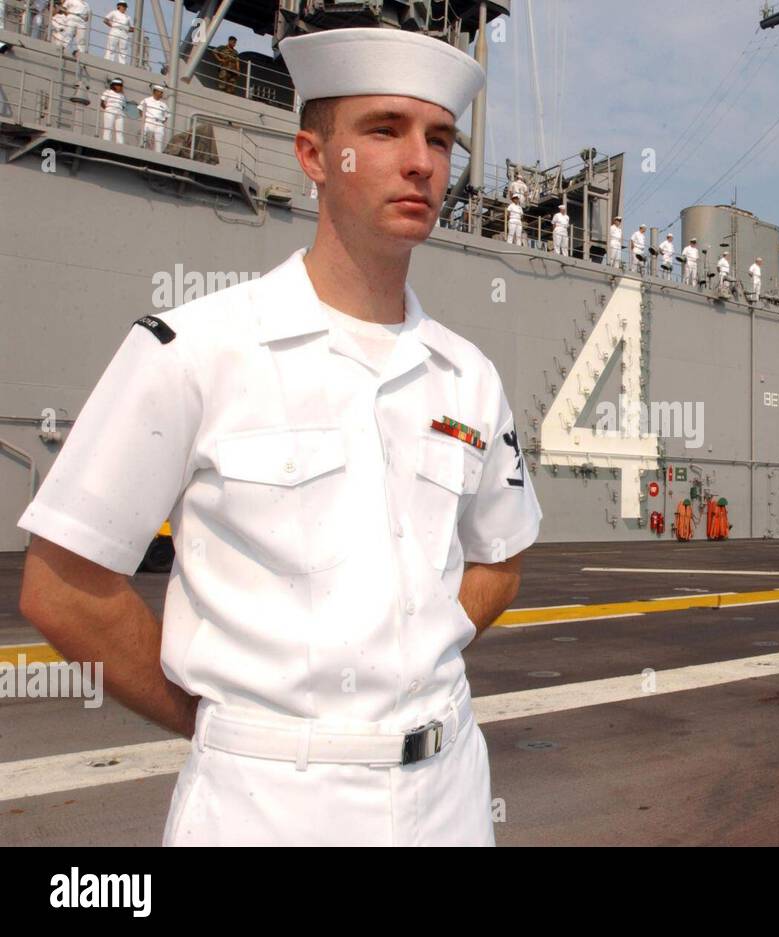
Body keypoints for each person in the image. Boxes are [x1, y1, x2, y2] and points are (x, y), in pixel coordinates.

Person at [17, 26, 542, 847]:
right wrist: (222, 724)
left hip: (450, 797)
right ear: (311, 153)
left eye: (439, 139)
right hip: (268, 805)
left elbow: (500, 561)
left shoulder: (468, 376)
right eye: (384, 129)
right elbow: (62, 588)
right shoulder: (191, 350)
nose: (421, 161)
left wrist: (407, 649)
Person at [138, 83, 169, 153]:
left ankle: (158, 154)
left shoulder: (163, 104)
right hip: (149, 121)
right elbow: (140, 109)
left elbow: (167, 116)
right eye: (160, 92)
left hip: (159, 124)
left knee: (159, 141)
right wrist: (144, 119)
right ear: (155, 92)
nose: (161, 94)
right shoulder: (146, 100)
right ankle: (142, 152)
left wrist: (161, 122)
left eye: (162, 92)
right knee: (145, 138)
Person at [99, 76, 126, 144]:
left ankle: (120, 145)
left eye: (121, 85)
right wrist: (108, 109)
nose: (121, 87)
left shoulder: (122, 95)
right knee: (108, 128)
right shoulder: (108, 92)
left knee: (120, 131)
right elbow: (102, 103)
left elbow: (123, 106)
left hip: (120, 113)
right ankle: (106, 143)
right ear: (114, 85)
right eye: (119, 85)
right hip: (110, 111)